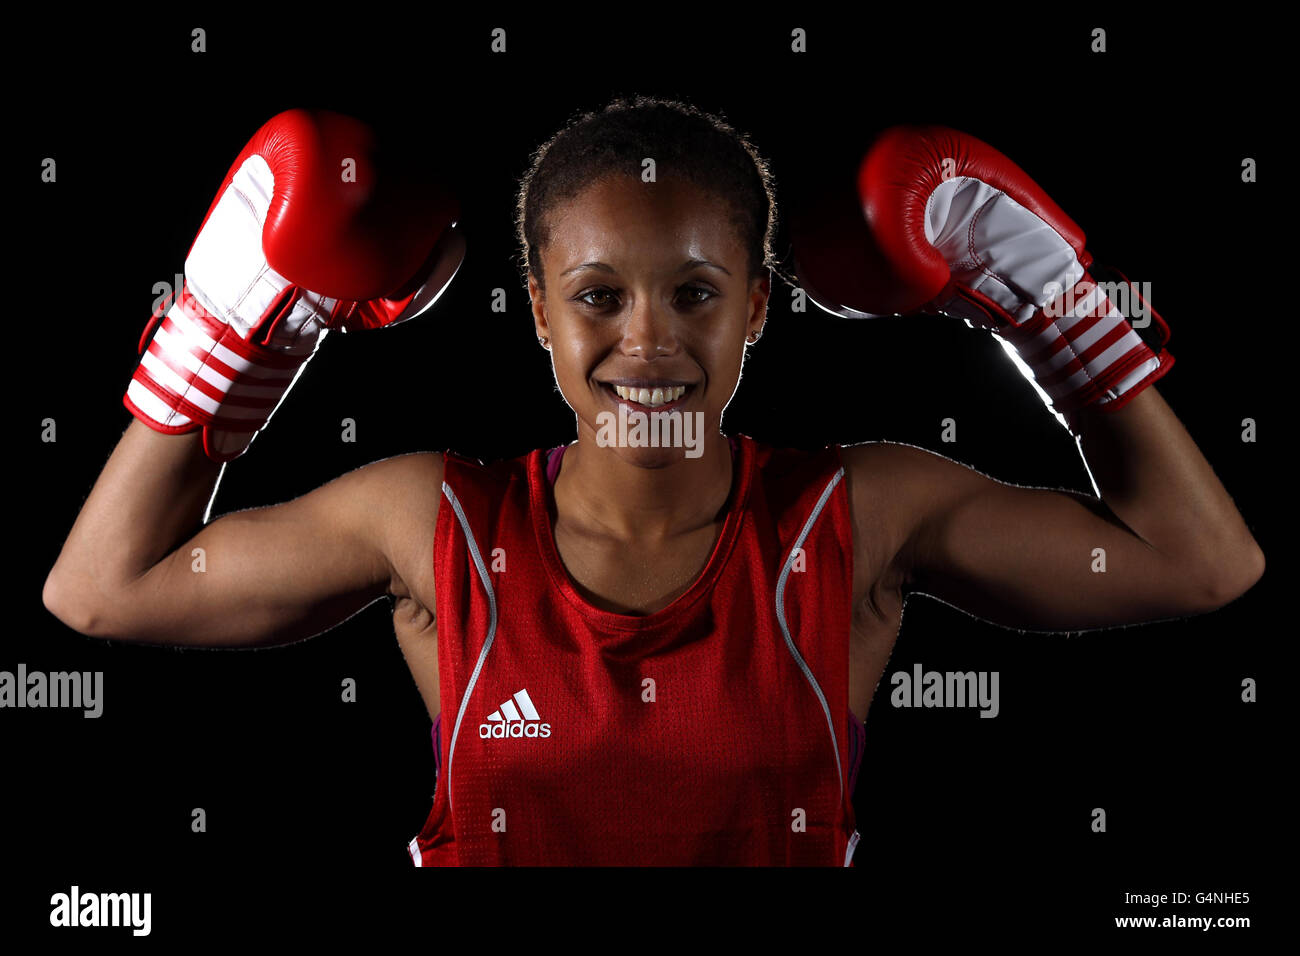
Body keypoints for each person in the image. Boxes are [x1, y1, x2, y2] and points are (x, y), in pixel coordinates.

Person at [42, 98, 1265, 867]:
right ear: (535, 312)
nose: (647, 344)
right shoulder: (435, 520)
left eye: (693, 292)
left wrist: (1054, 312)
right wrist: (239, 323)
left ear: (754, 311)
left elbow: (1204, 563)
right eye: (596, 297)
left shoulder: (858, 511)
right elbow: (100, 590)